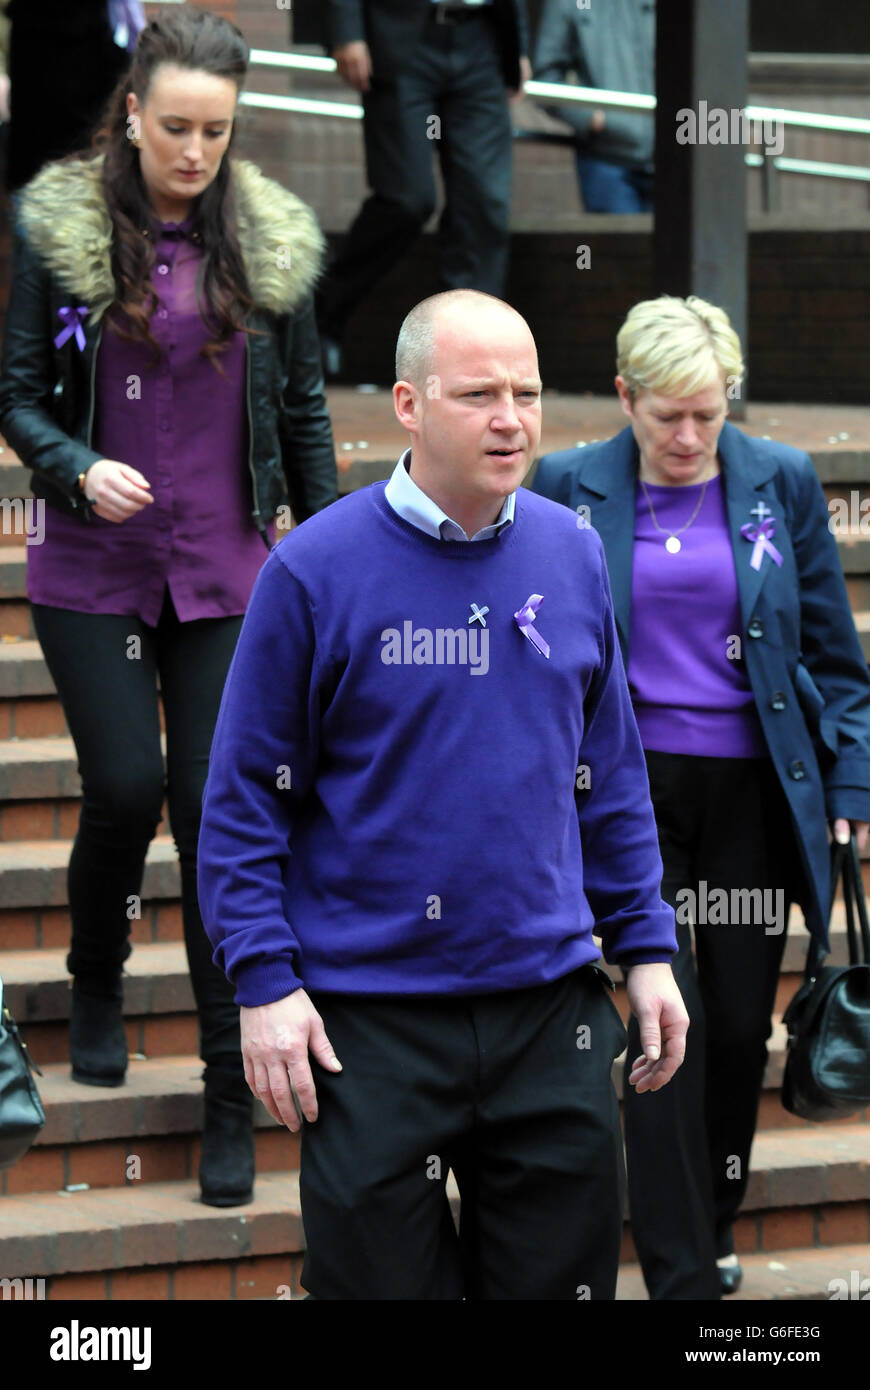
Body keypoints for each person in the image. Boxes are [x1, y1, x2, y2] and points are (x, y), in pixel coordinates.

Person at [197, 287, 688, 1300]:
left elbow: (611, 776)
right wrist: (263, 983)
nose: (512, 417)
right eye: (479, 394)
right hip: (367, 1024)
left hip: (549, 1010)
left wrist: (645, 948)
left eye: (528, 391)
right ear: (409, 407)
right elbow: (243, 799)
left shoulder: (573, 549)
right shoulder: (313, 570)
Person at [0, 7, 337, 1208]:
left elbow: (300, 408)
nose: (196, 151)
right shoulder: (59, 227)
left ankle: (225, 1095)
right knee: (126, 790)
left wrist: (334, 540)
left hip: (228, 567)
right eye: (176, 126)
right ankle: (96, 971)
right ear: (131, 113)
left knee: (214, 817)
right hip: (93, 562)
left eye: (218, 130)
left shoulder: (273, 241)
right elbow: (19, 392)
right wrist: (72, 465)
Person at [532, 294, 870, 1299]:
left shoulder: (782, 478)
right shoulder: (567, 485)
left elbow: (833, 656)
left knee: (733, 1029)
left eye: (708, 414)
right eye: (666, 413)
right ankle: (682, 1271)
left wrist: (851, 777)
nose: (687, 437)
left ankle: (712, 1212)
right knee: (658, 1015)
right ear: (626, 397)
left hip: (755, 793)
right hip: (629, 794)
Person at [315, 0, 531, 377]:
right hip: (403, 38)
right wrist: (346, 30)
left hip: (482, 36)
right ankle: (320, 312)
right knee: (406, 200)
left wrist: (520, 41)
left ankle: (467, 353)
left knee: (483, 203)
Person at [532, 0, 655, 214]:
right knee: (620, 247)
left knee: (679, 246)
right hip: (606, 160)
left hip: (675, 156)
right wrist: (589, 118)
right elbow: (545, 77)